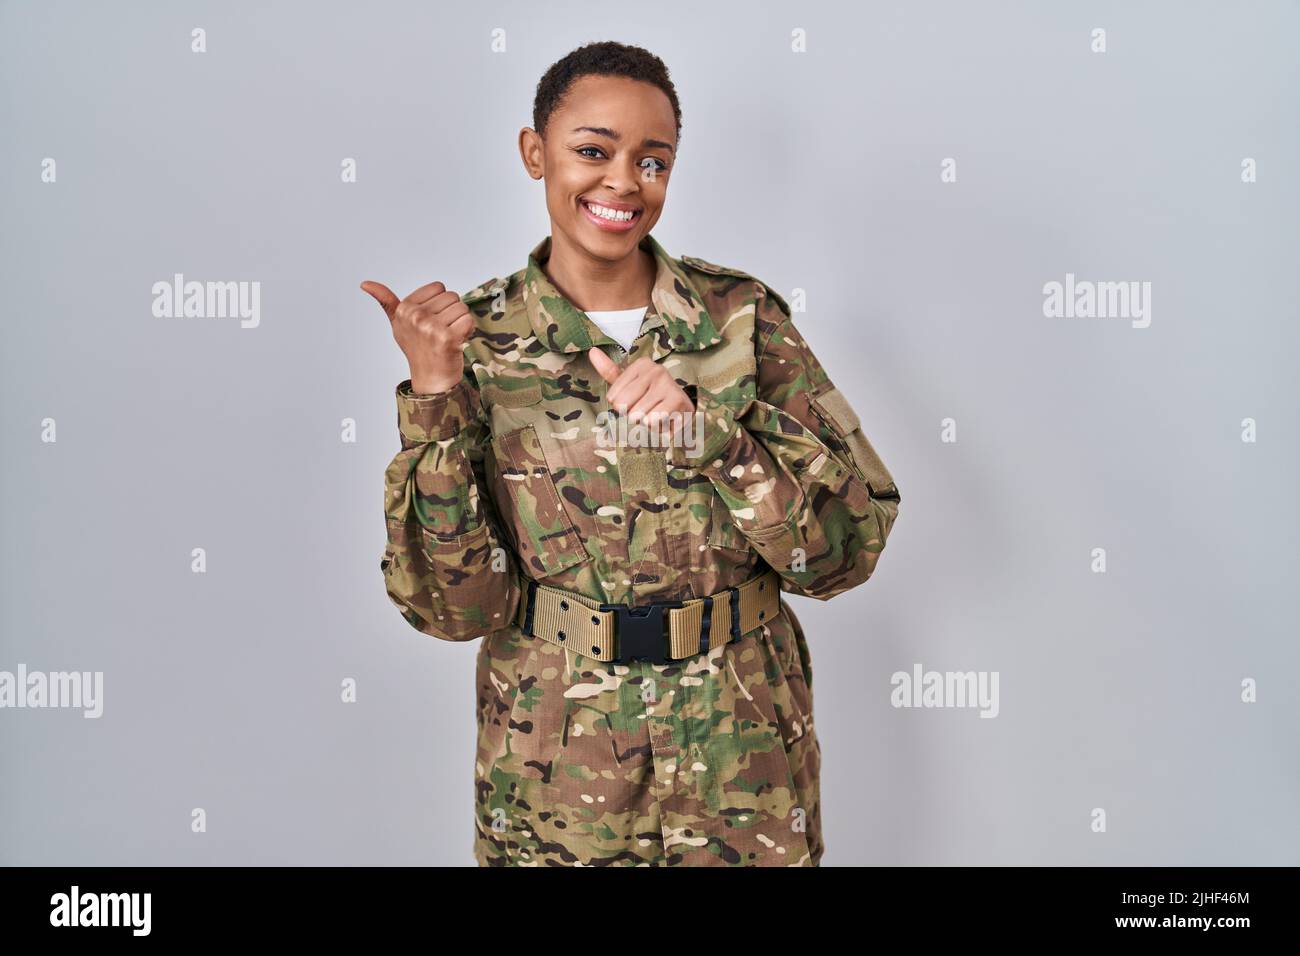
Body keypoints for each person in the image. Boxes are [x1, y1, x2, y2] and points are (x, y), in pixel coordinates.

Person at [361, 40, 902, 867]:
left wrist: (711, 437)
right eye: (592, 150)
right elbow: (455, 610)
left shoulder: (740, 318)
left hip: (742, 746)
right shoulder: (477, 340)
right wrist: (434, 398)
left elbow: (844, 555)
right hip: (556, 763)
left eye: (653, 161)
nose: (622, 182)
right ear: (534, 153)